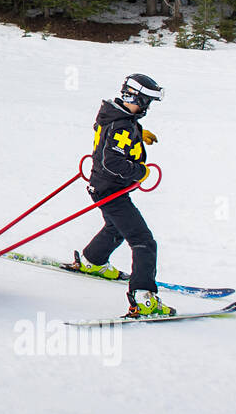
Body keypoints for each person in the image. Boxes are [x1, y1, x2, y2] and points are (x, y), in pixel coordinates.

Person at [64, 74, 174, 318]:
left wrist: (137, 133)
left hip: (103, 186)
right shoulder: (120, 124)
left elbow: (109, 135)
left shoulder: (115, 115)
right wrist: (140, 171)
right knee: (143, 241)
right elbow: (111, 161)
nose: (146, 108)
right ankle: (144, 299)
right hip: (111, 190)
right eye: (145, 102)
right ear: (134, 97)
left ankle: (94, 259)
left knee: (115, 228)